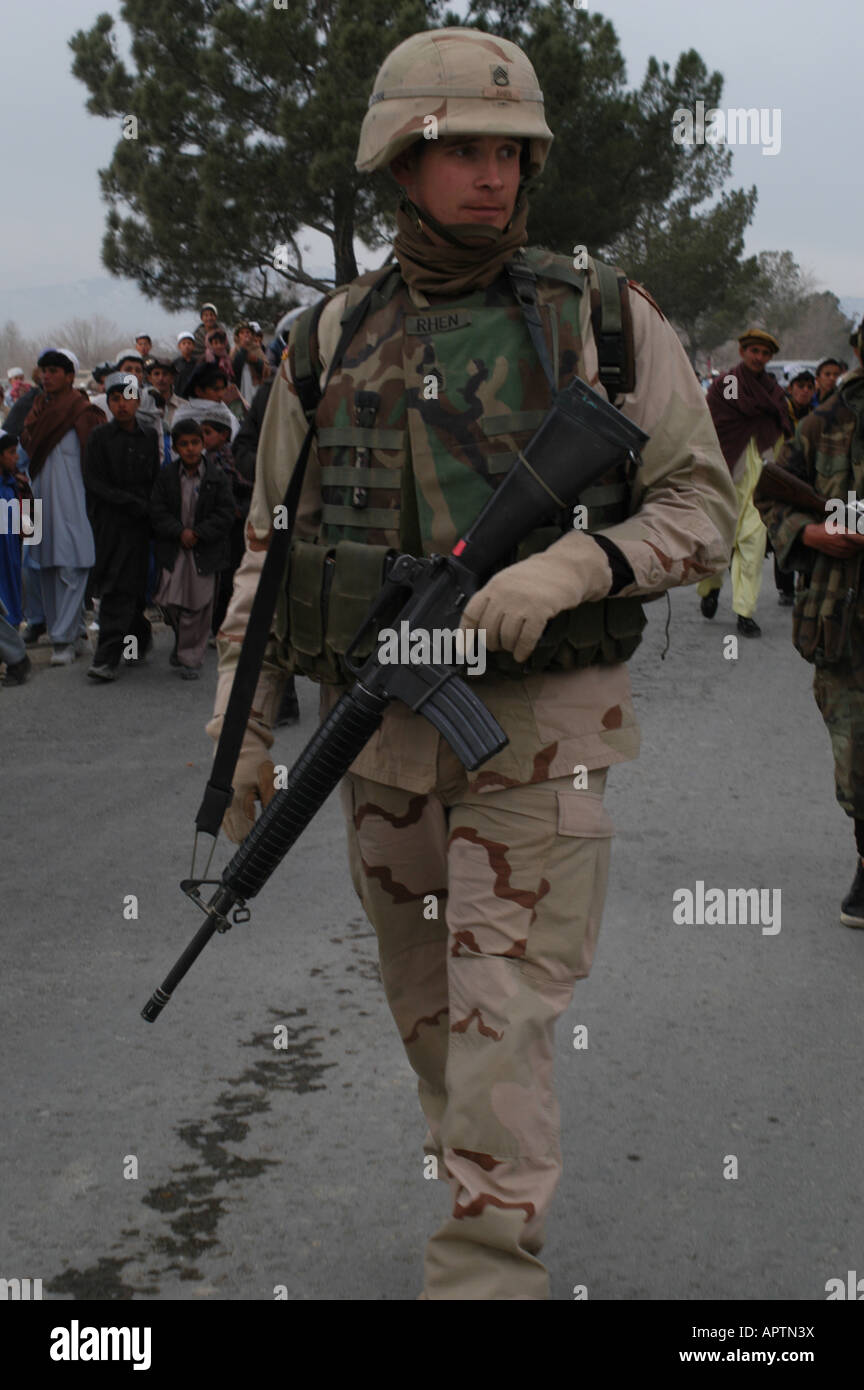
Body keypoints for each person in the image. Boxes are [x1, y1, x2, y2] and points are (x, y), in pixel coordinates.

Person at [207, 27, 737, 1301]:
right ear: (400, 158)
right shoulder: (328, 339)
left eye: (511, 151)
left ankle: (483, 1272)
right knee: (434, 1018)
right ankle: (489, 1190)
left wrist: (573, 568)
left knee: (501, 1019)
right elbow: (269, 554)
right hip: (382, 738)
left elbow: (702, 512)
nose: (492, 175)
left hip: (541, 733)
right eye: (461, 149)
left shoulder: (603, 320)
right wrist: (242, 719)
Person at [755, 317, 864, 926]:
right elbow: (768, 495)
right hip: (845, 622)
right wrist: (813, 532)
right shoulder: (825, 423)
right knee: (857, 755)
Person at [697, 328, 792, 636]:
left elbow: (782, 424)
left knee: (752, 542)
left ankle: (744, 612)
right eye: (754, 351)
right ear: (742, 352)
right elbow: (717, 420)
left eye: (765, 354)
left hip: (761, 474)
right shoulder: (728, 384)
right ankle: (710, 588)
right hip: (726, 470)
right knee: (720, 539)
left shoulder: (773, 391)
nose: (759, 358)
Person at [19, 347, 104, 665]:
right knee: (46, 568)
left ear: (70, 377)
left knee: (73, 565)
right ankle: (68, 633)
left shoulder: (83, 411)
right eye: (44, 371)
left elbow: (94, 458)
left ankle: (63, 640)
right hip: (41, 497)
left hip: (75, 499)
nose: (47, 376)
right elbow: (22, 447)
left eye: (54, 371)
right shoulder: (35, 410)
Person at [82, 373, 161, 681]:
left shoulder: (149, 436)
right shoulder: (99, 438)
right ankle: (106, 658)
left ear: (137, 401)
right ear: (109, 403)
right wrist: (128, 502)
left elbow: (153, 478)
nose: (122, 404)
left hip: (140, 524)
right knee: (115, 587)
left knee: (134, 588)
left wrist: (152, 511)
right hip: (111, 524)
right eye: (115, 399)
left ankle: (135, 642)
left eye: (128, 397)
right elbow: (94, 483)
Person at [150, 418, 234, 678]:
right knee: (171, 602)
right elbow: (157, 510)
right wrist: (179, 532)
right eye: (184, 444)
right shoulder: (166, 476)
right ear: (175, 447)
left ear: (202, 444)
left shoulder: (216, 477)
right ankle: (183, 643)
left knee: (197, 607)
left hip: (203, 550)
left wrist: (199, 533)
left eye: (195, 443)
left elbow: (226, 513)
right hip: (175, 548)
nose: (190, 449)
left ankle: (190, 659)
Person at [0, 429, 32, 630]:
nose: (16, 457)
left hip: (14, 557)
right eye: (11, 452)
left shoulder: (19, 485)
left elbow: (31, 532)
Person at [173, 332, 200, 397]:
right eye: (184, 343)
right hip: (179, 395)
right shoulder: (175, 363)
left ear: (193, 346)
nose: (187, 346)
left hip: (195, 396)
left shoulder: (198, 362)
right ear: (179, 346)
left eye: (189, 343)